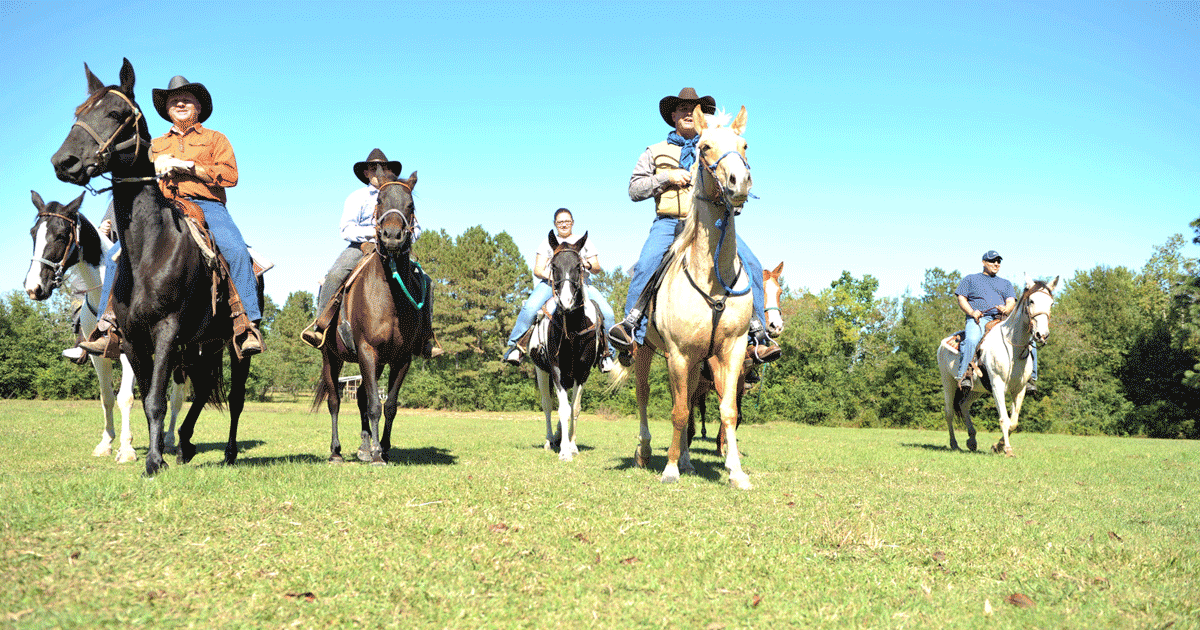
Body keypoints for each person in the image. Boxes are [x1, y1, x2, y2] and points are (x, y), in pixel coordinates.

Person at [77, 75, 262, 357]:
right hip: (163, 208)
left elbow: (230, 176)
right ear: (167, 110)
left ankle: (245, 323)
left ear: (199, 107)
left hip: (207, 205)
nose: (180, 103)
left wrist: (188, 166)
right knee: (115, 256)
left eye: (187, 99)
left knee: (236, 251)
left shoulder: (216, 139)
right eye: (174, 101)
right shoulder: (155, 144)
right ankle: (108, 328)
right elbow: (133, 181)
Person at [607, 87, 781, 366]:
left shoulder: (718, 144)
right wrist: (665, 177)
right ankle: (631, 329)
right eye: (682, 108)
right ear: (673, 115)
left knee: (752, 263)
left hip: (712, 222)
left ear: (701, 116)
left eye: (694, 108)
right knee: (647, 262)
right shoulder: (655, 151)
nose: (688, 112)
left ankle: (758, 336)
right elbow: (634, 189)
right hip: (670, 221)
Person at [302, 149, 440, 359]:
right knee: (335, 274)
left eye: (383, 167)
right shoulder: (357, 197)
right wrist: (375, 234)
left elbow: (416, 227)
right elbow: (345, 229)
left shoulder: (399, 194)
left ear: (389, 172)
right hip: (361, 247)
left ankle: (424, 337)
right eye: (373, 168)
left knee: (426, 281)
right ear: (366, 173)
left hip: (396, 247)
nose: (378, 171)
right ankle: (321, 326)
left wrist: (405, 235)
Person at [502, 208, 617, 372]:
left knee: (608, 313)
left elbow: (597, 268)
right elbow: (538, 269)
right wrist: (556, 277)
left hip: (580, 283)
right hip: (551, 283)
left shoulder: (583, 242)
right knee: (530, 308)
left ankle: (607, 355)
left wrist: (587, 264)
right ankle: (516, 348)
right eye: (560, 222)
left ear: (573, 223)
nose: (564, 224)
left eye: (567, 221)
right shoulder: (547, 242)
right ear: (555, 224)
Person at [953, 250, 1038, 393]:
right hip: (979, 319)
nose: (996, 264)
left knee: (1030, 342)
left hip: (1001, 319)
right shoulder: (970, 279)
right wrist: (972, 312)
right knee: (973, 339)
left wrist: (1006, 309)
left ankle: (1030, 378)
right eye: (992, 261)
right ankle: (965, 375)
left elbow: (1011, 301)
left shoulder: (1005, 283)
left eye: (998, 261)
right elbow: (961, 298)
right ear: (983, 262)